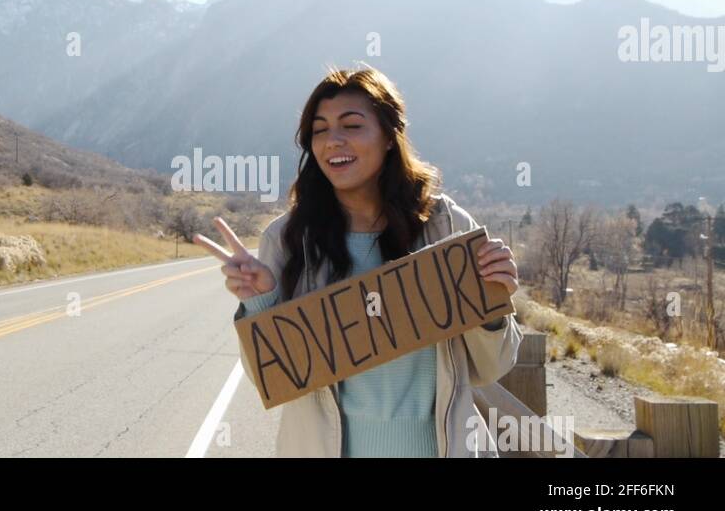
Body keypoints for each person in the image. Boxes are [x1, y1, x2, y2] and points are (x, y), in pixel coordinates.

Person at [194, 65, 522, 458]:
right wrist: (261, 301)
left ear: (388, 136)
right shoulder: (286, 240)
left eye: (351, 125)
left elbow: (493, 366)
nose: (332, 141)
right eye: (319, 130)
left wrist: (492, 308)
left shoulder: (445, 226)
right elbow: (269, 378)